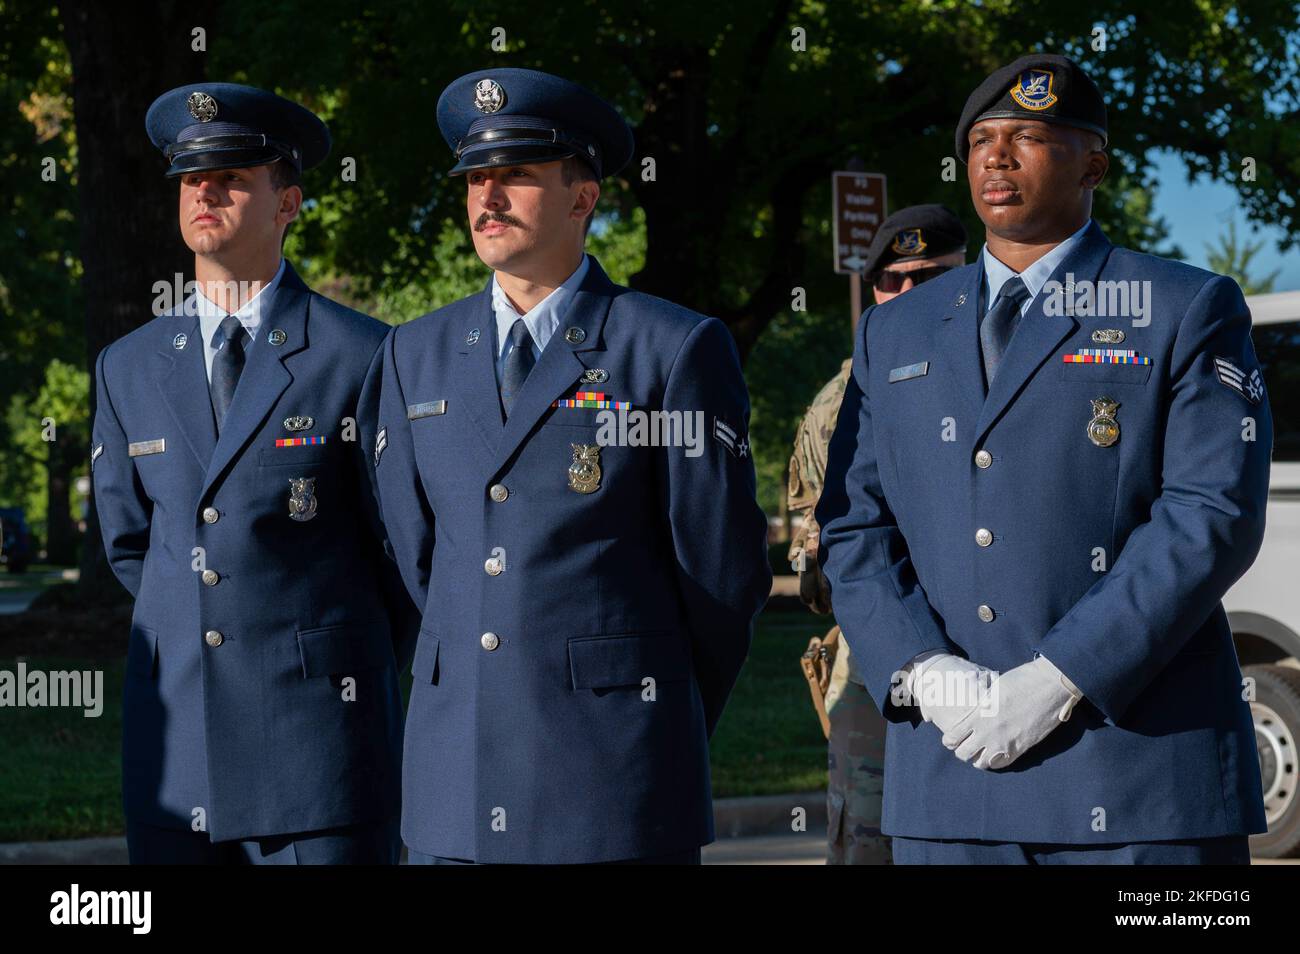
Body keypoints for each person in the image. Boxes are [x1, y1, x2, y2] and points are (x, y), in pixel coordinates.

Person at [816, 54, 1271, 864]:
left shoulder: (1182, 306)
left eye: (1028, 136)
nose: (996, 156)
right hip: (949, 783)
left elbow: (1210, 514)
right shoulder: (897, 331)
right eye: (982, 139)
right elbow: (853, 524)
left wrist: (1061, 675)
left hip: (1137, 778)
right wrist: (919, 668)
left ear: (1093, 162)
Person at [363, 68, 772, 864]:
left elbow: (720, 572)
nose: (488, 198)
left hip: (612, 779)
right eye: (477, 178)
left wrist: (652, 709)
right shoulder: (414, 353)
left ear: (583, 199)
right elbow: (414, 556)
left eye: (516, 175)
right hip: (457, 785)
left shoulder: (669, 347)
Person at [91, 83, 415, 864]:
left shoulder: (365, 354)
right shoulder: (128, 367)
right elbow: (134, 546)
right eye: (190, 177)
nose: (205, 190)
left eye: (234, 175)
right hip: (178, 755)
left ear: (290, 202)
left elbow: (404, 554)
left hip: (321, 752)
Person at [790, 205, 966, 865]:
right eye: (894, 281)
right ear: (873, 292)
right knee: (871, 845)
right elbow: (819, 557)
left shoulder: (1010, 367)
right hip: (875, 671)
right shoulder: (841, 401)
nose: (911, 295)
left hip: (1002, 658)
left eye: (934, 276)